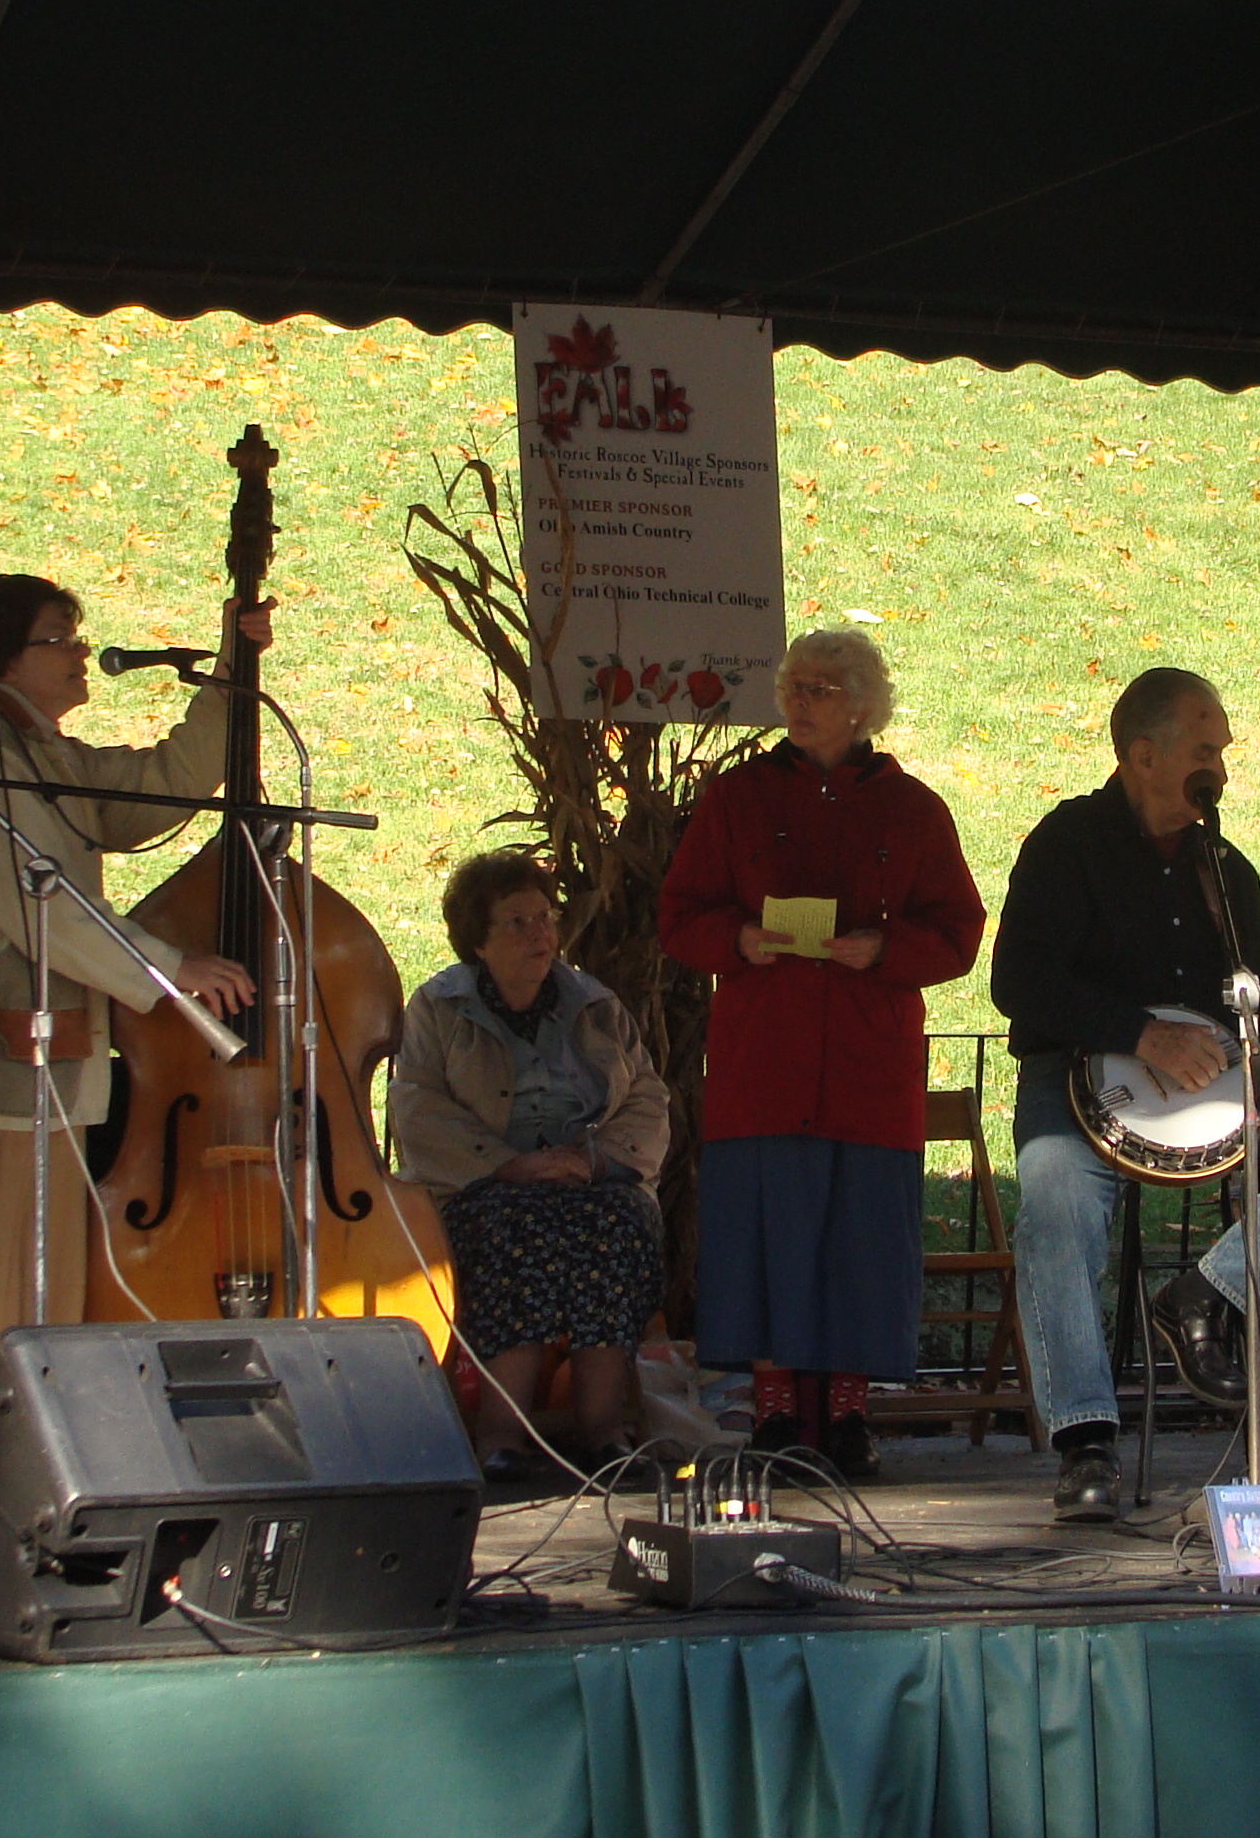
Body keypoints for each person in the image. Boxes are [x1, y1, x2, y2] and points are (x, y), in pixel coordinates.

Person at [992, 668, 1260, 1523]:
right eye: (1204, 750)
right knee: (1056, 1201)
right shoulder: (1067, 844)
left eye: (1222, 752)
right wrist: (1139, 1033)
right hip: (1078, 1080)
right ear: (1142, 755)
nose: (1220, 767)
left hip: (1217, 1087)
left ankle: (1207, 1297)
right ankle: (1085, 1441)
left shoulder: (1224, 869)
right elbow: (1019, 982)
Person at [0, 576, 264, 1414]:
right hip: (0, 1066)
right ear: (3, 659)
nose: (78, 653)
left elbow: (168, 779)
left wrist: (232, 668)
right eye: (57, 639)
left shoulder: (42, 755)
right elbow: (49, 909)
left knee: (41, 1274)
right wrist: (169, 970)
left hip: (47, 1063)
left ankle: (20, 1435)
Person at [658, 628, 986, 1476]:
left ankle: (846, 1413)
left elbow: (958, 931)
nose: (799, 702)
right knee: (768, 1238)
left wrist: (884, 950)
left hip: (865, 1069)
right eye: (792, 686)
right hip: (763, 1062)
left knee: (857, 1245)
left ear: (863, 707)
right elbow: (680, 914)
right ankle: (773, 1410)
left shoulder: (913, 809)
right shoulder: (737, 797)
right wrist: (739, 939)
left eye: (821, 689)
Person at [390, 852, 669, 1482]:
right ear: (478, 941)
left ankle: (604, 1431)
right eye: (516, 922)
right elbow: (417, 1108)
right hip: (485, 1186)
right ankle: (500, 1436)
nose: (539, 933)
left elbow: (648, 1097)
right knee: (515, 1231)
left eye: (544, 917)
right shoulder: (439, 1007)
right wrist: (506, 1165)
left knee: (616, 1227)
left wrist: (593, 1161)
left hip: (588, 1178)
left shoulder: (594, 1003)